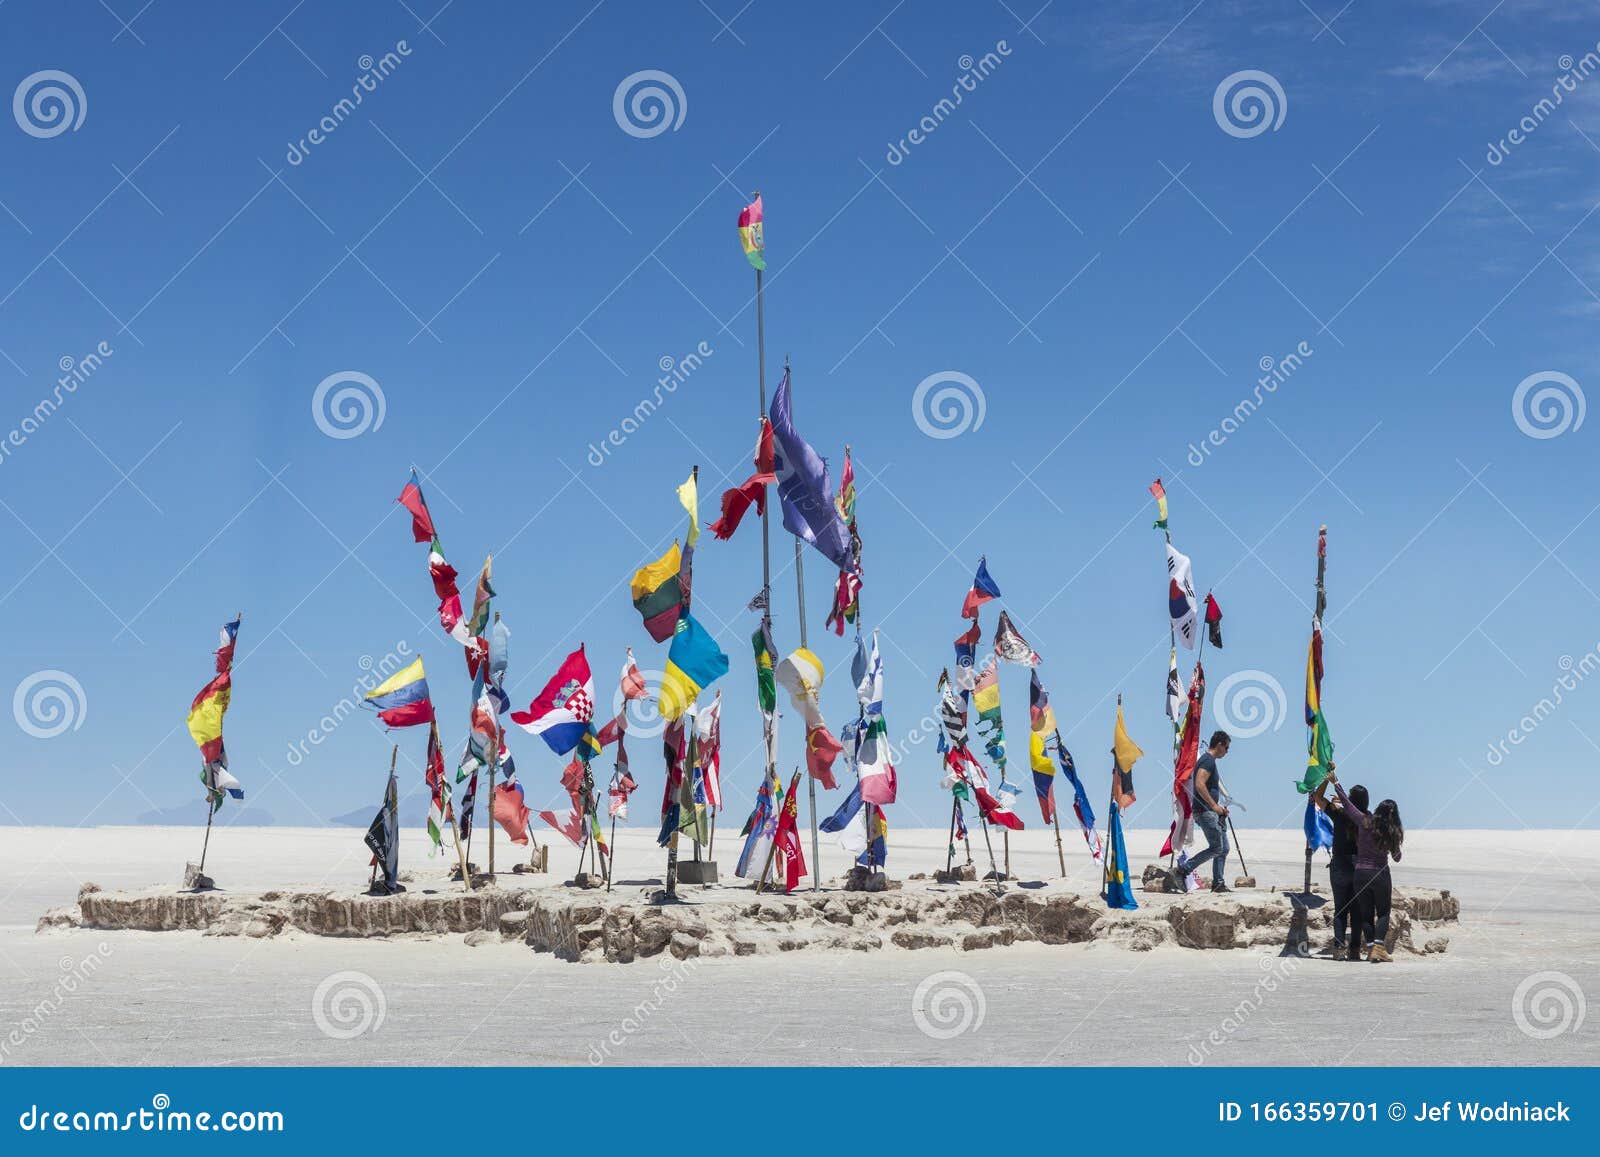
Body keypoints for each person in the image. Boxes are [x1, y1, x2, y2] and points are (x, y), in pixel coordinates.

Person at [1327, 768, 1403, 962]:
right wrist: (1394, 843)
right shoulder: (1392, 832)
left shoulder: (1364, 821)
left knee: (1366, 914)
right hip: (1380, 874)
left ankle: (1371, 950)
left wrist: (1336, 783)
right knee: (1384, 912)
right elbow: (1397, 858)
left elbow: (1348, 804)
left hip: (1360, 873)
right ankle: (1378, 947)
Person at [1170, 730, 1231, 894]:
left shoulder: (1209, 761)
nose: (1227, 752)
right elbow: (1199, 784)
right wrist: (1214, 806)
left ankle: (1218, 883)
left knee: (1224, 848)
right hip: (1205, 811)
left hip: (1210, 811)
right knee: (1217, 847)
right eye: (1227, 748)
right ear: (1219, 745)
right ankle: (1183, 870)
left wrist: (1220, 810)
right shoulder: (1208, 761)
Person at [1325, 782, 1366, 957]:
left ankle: (1339, 947)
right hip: (1358, 865)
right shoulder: (1366, 818)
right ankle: (1355, 950)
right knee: (1357, 910)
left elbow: (1319, 798)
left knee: (1340, 909)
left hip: (1340, 864)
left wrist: (1326, 779)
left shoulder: (1340, 814)